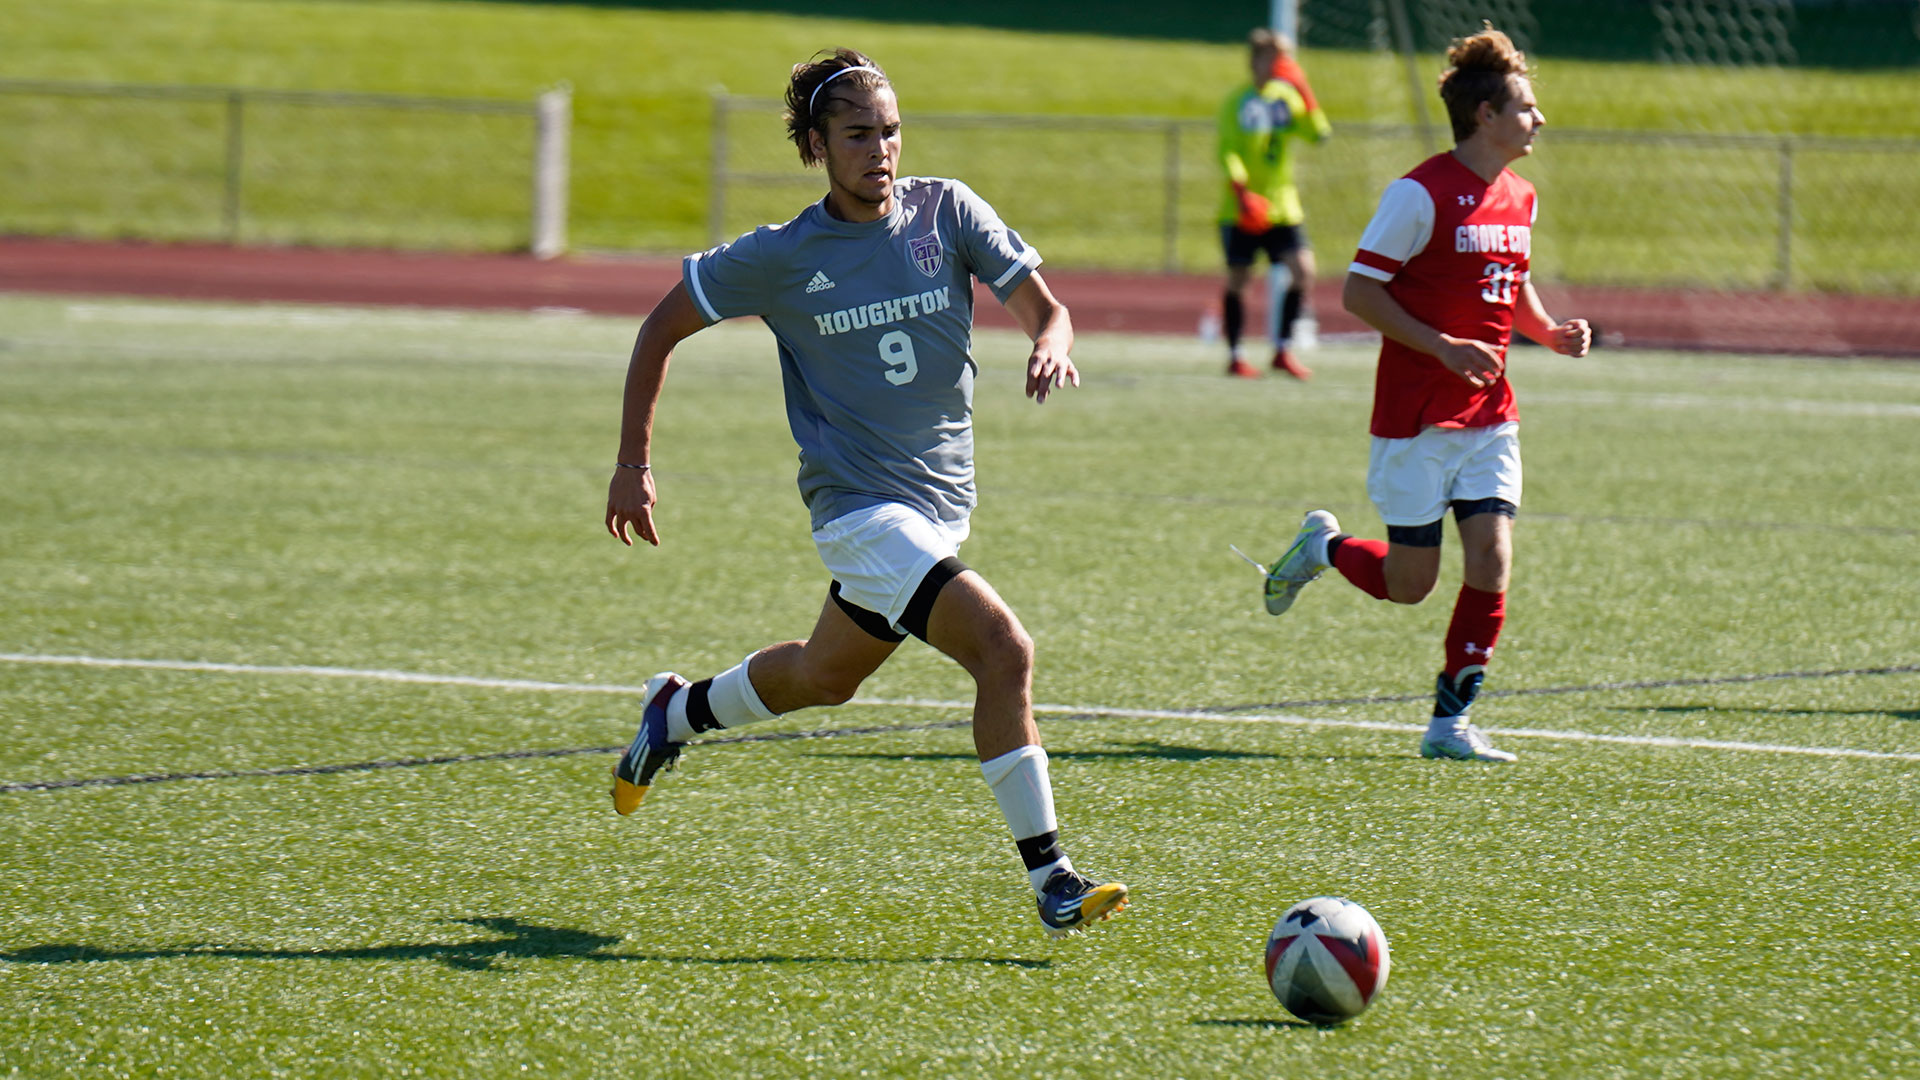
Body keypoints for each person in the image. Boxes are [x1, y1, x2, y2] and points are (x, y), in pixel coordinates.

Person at [602, 49, 1128, 937]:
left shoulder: (947, 211)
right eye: (856, 134)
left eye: (888, 130)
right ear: (815, 145)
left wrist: (1051, 340)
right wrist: (632, 463)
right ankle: (1054, 881)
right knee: (1004, 651)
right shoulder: (779, 256)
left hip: (938, 510)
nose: (879, 150)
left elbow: (1048, 307)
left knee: (822, 677)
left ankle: (676, 711)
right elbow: (660, 328)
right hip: (859, 513)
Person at [1258, 24, 1591, 762]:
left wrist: (1548, 332)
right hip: (1414, 419)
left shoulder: (1522, 198)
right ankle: (1324, 546)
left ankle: (1449, 725)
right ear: (1486, 115)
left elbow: (1514, 282)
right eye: (1526, 107)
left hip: (1490, 415)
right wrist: (1440, 346)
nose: (1539, 120)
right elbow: (1357, 292)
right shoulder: (1419, 194)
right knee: (1410, 584)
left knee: (1492, 560)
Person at [1216, 29, 1331, 380]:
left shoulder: (1286, 98)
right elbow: (1227, 151)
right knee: (1239, 279)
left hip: (1282, 207)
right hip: (1242, 208)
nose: (1277, 64)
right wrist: (1242, 194)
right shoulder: (1237, 101)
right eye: (1270, 57)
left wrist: (1306, 92)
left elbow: (1318, 134)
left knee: (1304, 271)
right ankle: (1235, 354)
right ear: (1254, 61)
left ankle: (1283, 349)